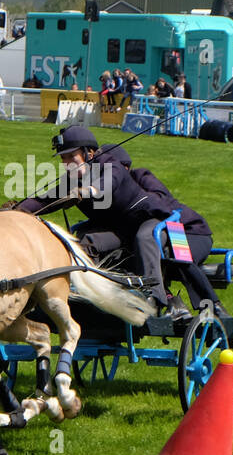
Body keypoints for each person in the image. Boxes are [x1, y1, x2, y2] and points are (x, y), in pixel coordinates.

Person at [14, 125, 221, 321]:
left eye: (72, 156)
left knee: (153, 241)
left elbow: (106, 184)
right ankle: (84, 292)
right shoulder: (72, 179)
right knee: (85, 241)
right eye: (63, 158)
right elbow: (44, 200)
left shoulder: (112, 166)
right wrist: (12, 211)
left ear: (89, 153)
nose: (67, 162)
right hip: (122, 230)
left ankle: (157, 298)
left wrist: (87, 192)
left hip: (158, 222)